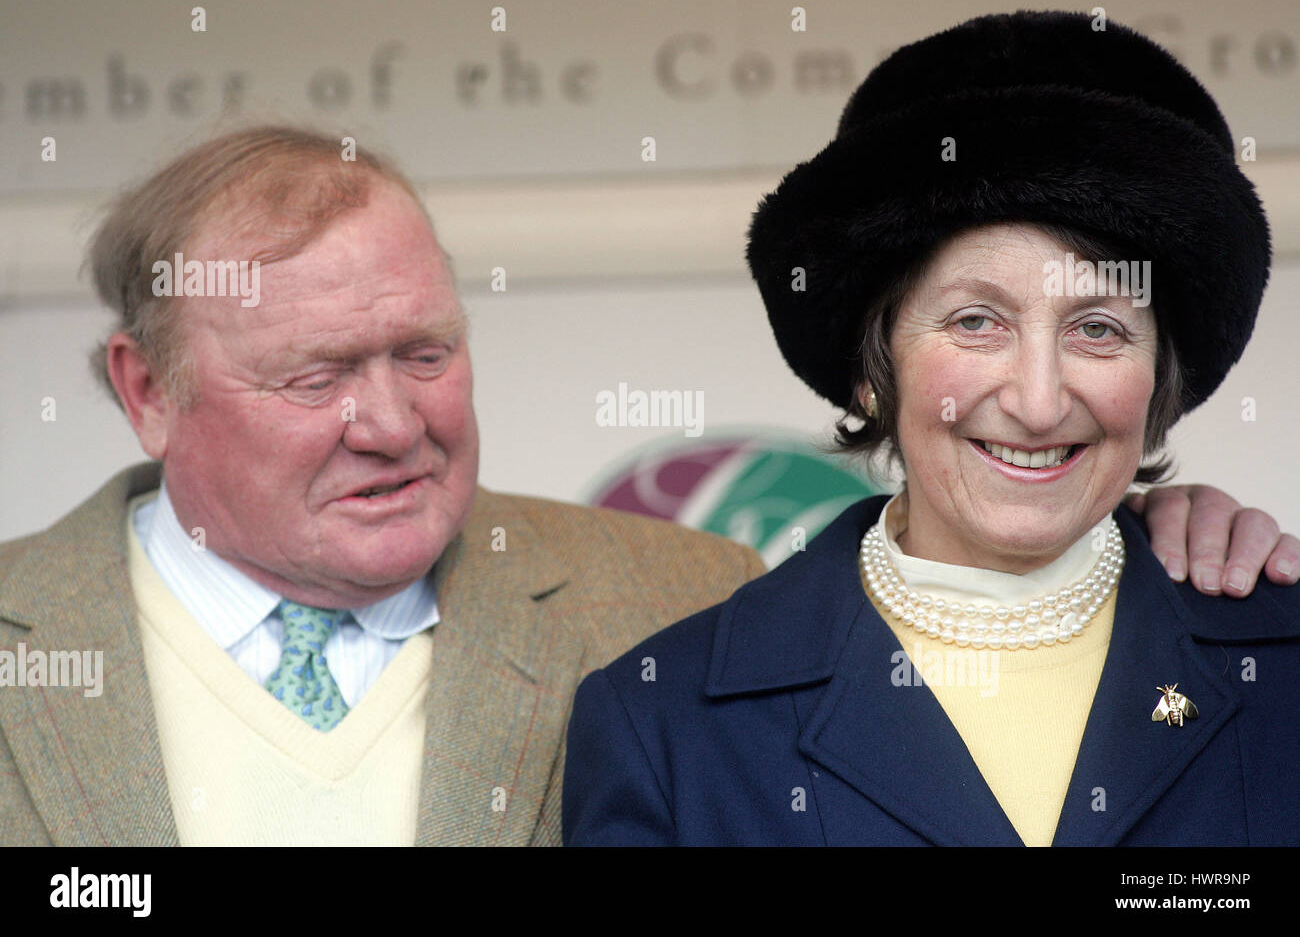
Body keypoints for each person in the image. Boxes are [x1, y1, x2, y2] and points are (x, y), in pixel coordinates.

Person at [0, 129, 1286, 848]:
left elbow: (995, 566)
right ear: (146, 388)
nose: (388, 421)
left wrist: (1140, 536)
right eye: (313, 375)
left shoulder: (681, 606)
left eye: (423, 353)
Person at [562, 11, 1300, 846]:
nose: (1039, 400)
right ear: (873, 372)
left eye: (1098, 328)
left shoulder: (1282, 660)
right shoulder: (665, 725)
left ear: (1158, 376)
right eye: (976, 321)